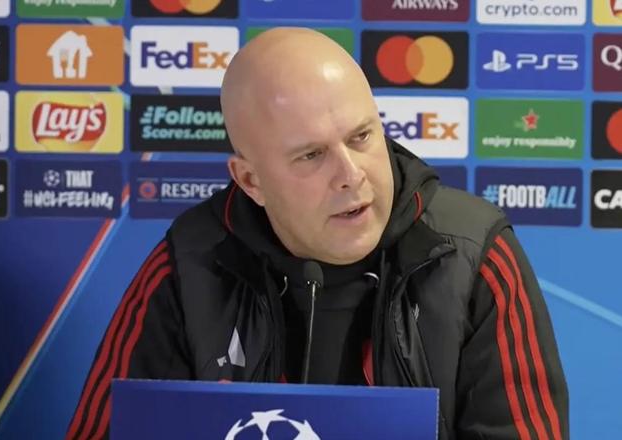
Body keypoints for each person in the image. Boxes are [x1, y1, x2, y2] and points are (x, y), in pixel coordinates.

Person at [66, 28, 568, 439]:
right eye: (311, 155)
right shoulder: (188, 265)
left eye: (361, 136)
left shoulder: (473, 255)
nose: (351, 174)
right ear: (251, 181)